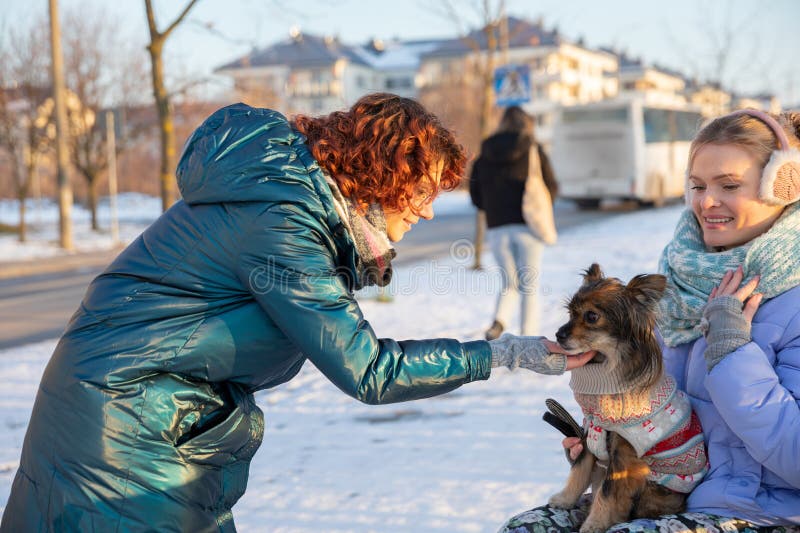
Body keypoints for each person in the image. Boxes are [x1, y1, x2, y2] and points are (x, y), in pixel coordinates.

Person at [1, 94, 596, 532]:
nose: (430, 213)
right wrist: (502, 353)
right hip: (121, 432)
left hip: (150, 416)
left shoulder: (293, 206)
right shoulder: (282, 223)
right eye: (423, 191)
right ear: (383, 174)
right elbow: (370, 371)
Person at [497, 109, 800, 532]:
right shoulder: (677, 288)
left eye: (729, 185)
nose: (706, 202)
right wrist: (606, 443)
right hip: (666, 493)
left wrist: (732, 351)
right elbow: (656, 414)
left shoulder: (794, 303)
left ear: (783, 186)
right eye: (697, 186)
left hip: (760, 512)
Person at [469, 105, 558, 341]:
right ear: (526, 124)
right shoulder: (532, 149)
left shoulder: (485, 152)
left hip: (497, 229)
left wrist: (493, 209)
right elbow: (552, 185)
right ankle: (528, 338)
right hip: (527, 227)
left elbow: (475, 194)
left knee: (509, 282)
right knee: (529, 286)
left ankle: (498, 322)